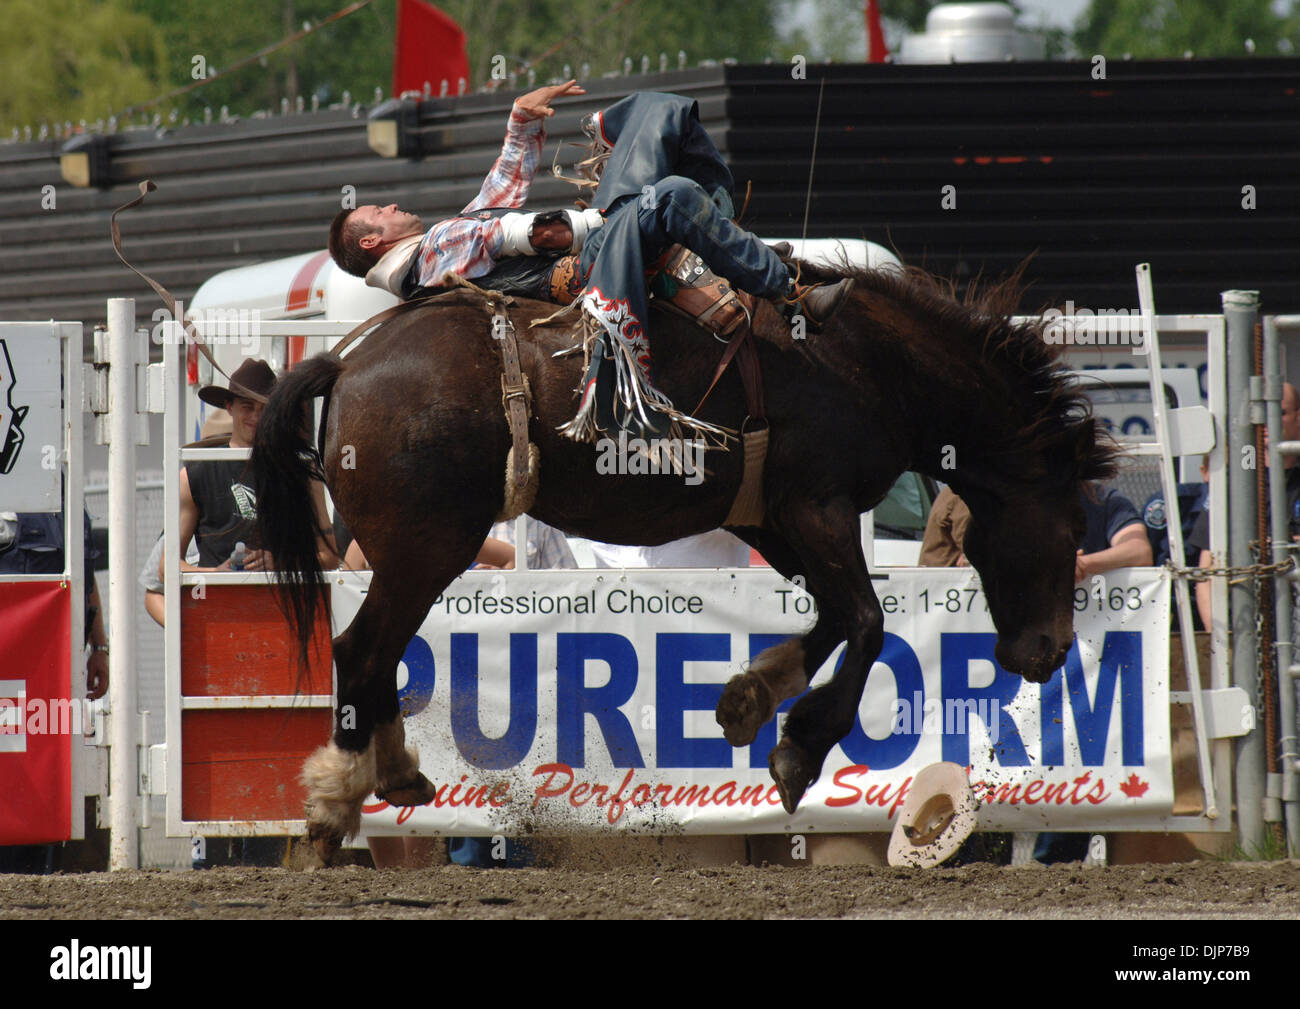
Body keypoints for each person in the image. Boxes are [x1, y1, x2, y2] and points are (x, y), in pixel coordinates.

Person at [327, 81, 852, 443]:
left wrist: (521, 121)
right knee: (667, 183)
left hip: (592, 244)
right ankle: (790, 293)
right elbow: (508, 229)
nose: (392, 205)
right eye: (381, 210)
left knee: (660, 118)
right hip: (589, 259)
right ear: (373, 243)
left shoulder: (436, 255)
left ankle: (716, 230)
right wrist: (593, 223)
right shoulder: (434, 250)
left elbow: (497, 195)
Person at [161, 358, 337, 577]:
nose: (256, 416)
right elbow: (166, 567)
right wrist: (216, 573)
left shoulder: (303, 471)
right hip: (219, 606)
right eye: (247, 406)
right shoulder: (194, 475)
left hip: (282, 607)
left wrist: (281, 563)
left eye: (265, 408)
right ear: (229, 407)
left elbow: (330, 558)